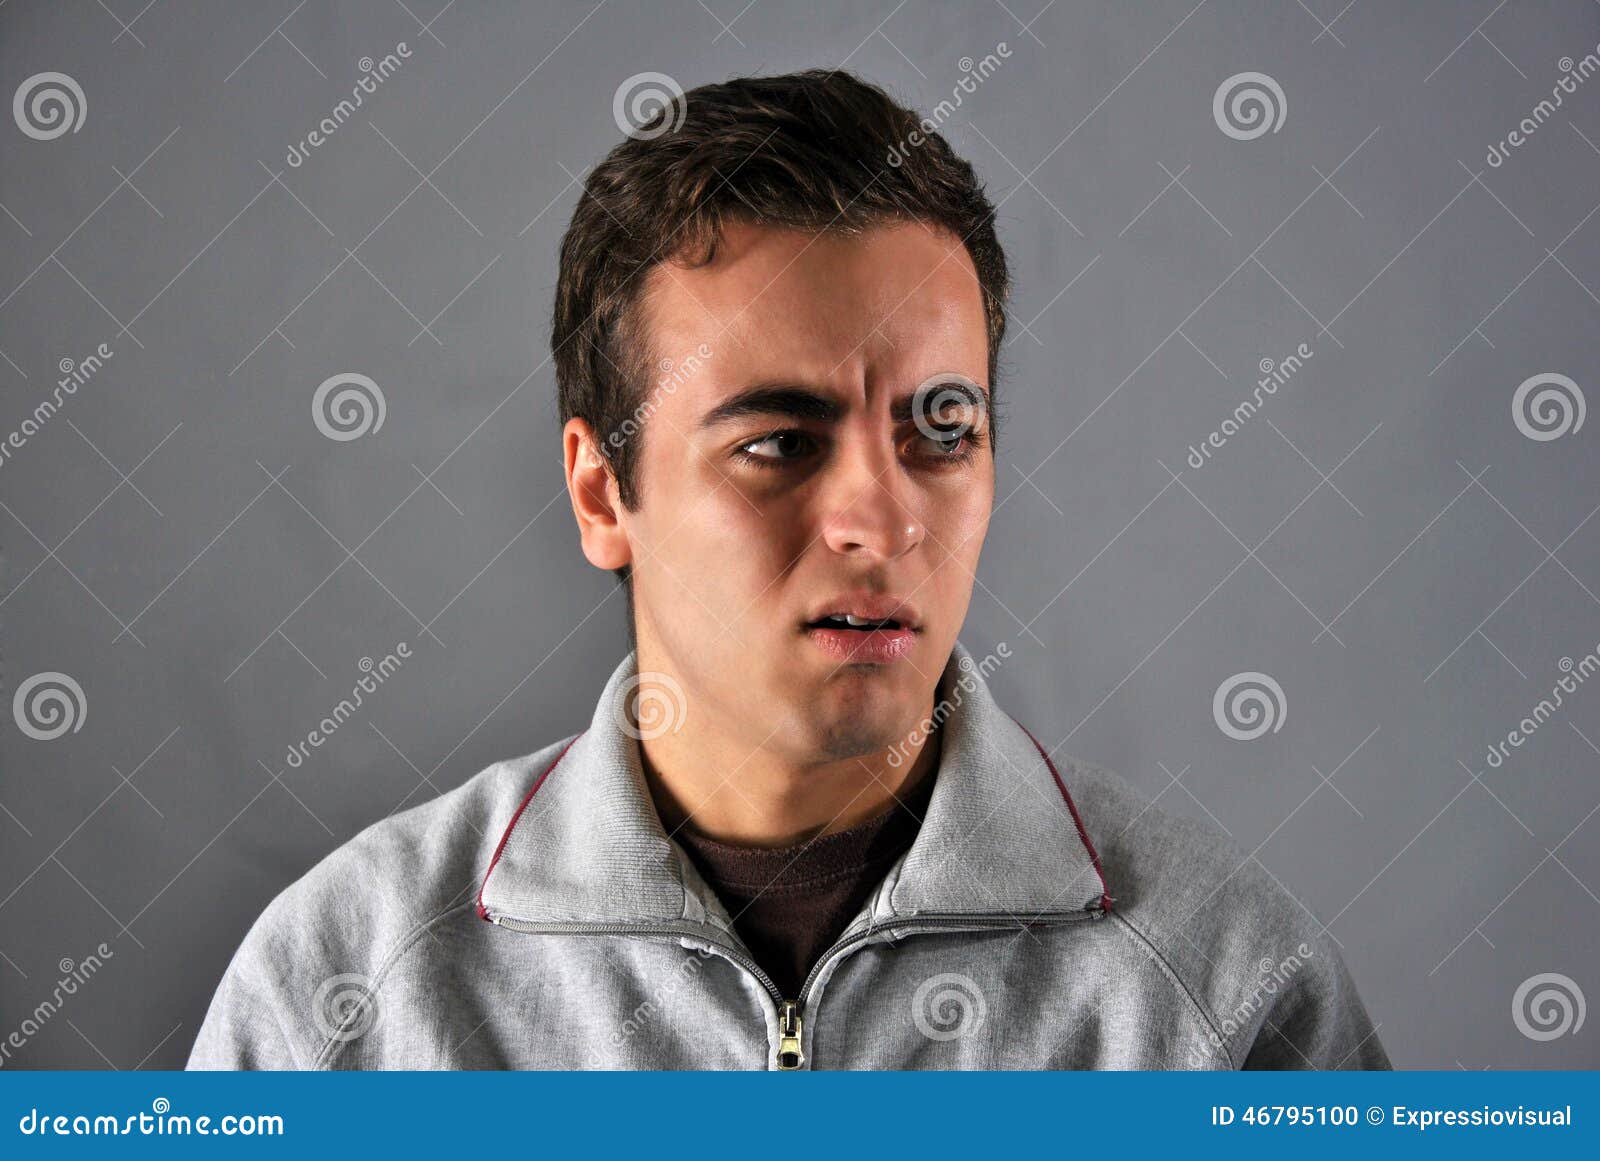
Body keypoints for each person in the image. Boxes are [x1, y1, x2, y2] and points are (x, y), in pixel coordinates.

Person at [188, 69, 1389, 1070]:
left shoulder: (1225, 996)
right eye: (777, 443)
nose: (880, 516)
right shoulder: (347, 993)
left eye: (941, 430)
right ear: (604, 492)